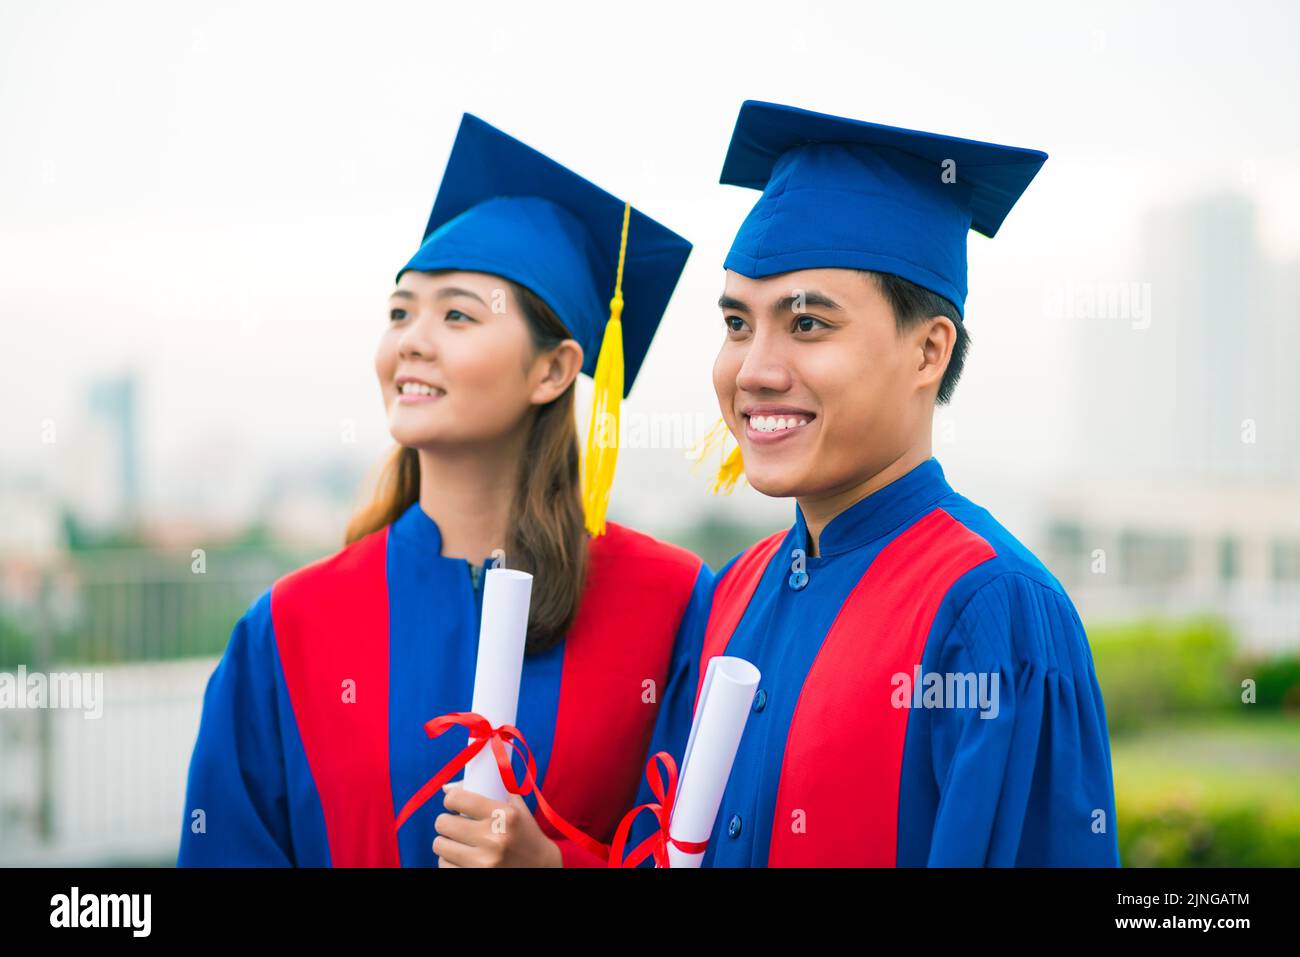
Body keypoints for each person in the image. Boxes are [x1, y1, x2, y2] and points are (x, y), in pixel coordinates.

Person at [177, 113, 712, 867]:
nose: (412, 340)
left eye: (458, 314)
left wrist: (556, 865)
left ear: (553, 370)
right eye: (400, 312)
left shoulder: (671, 603)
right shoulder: (291, 627)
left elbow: (710, 846)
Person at [682, 100, 1120, 866]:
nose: (754, 370)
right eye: (738, 324)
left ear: (928, 353)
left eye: (808, 324)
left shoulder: (993, 612)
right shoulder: (732, 593)